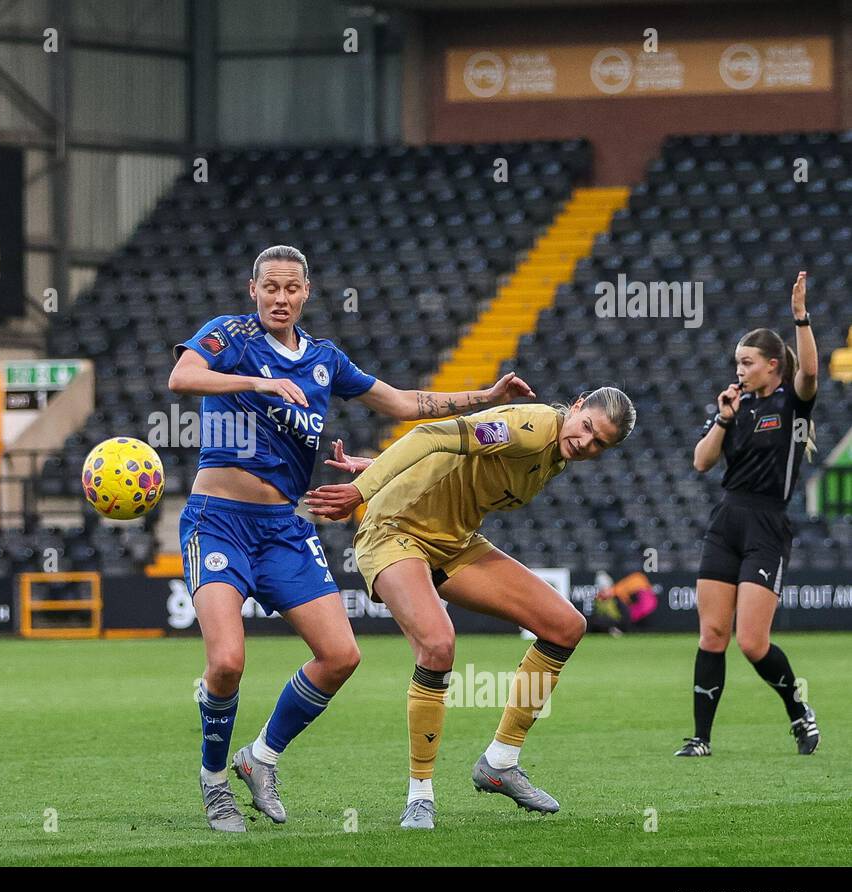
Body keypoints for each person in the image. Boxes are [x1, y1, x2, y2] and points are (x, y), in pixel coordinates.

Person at [168, 244, 534, 832]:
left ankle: (260, 758)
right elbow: (182, 376)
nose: (280, 298)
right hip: (218, 519)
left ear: (306, 292)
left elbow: (403, 402)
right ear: (252, 289)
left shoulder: (324, 360)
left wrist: (483, 399)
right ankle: (214, 784)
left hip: (284, 526)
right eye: (270, 288)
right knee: (228, 662)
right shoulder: (228, 335)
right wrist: (258, 386)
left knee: (341, 656)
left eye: (291, 289)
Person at [307, 387, 636, 830]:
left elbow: (457, 461)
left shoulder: (556, 454)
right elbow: (430, 435)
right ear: (576, 406)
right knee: (439, 645)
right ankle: (420, 795)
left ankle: (500, 762)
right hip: (394, 532)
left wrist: (378, 468)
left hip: (454, 542)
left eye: (600, 444)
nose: (586, 443)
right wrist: (361, 489)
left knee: (565, 625)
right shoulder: (532, 427)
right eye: (587, 427)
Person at [678, 272, 820, 758]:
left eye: (747, 363)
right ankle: (700, 739)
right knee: (712, 633)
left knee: (753, 642)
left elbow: (811, 374)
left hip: (766, 523)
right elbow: (700, 461)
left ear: (772, 366)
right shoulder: (733, 407)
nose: (738, 370)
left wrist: (800, 315)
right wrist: (722, 417)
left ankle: (799, 711)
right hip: (727, 521)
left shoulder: (793, 402)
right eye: (736, 362)